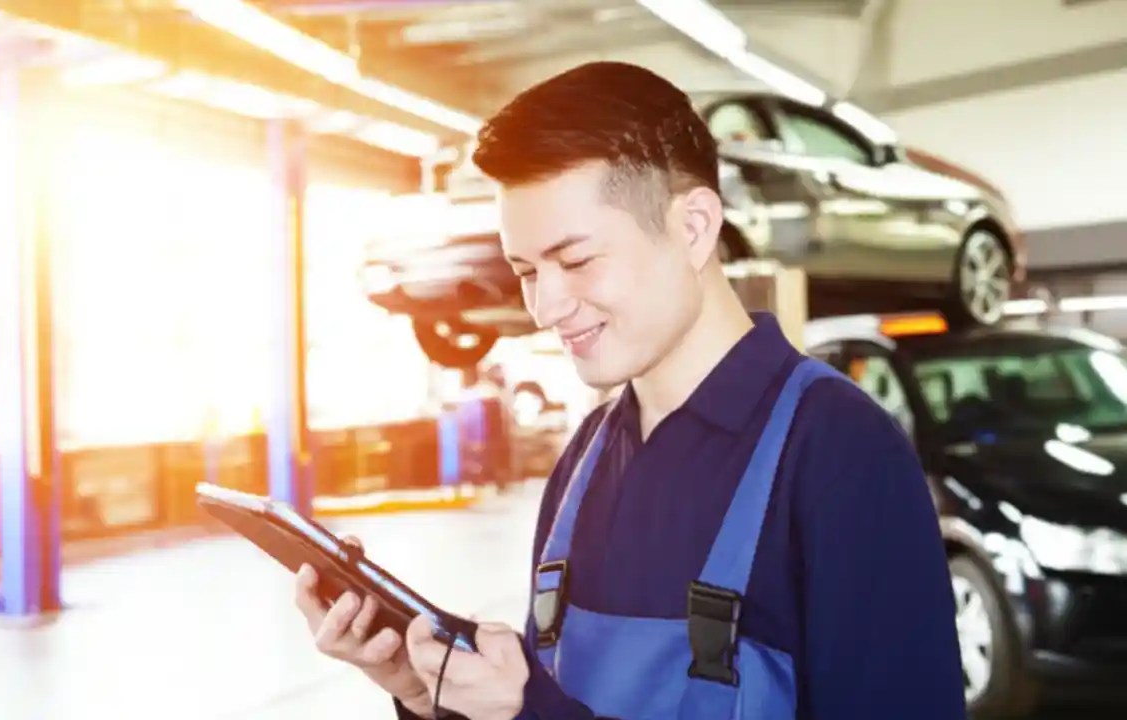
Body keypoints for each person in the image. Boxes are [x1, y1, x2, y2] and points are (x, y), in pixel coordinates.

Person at [291, 61, 966, 719]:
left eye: (577, 260)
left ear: (694, 227)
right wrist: (430, 695)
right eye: (526, 270)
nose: (546, 306)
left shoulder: (841, 453)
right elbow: (560, 695)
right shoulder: (587, 455)